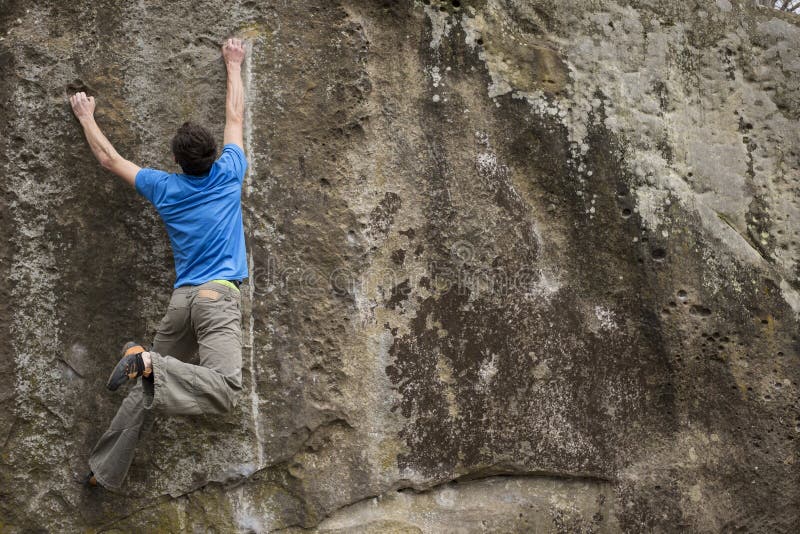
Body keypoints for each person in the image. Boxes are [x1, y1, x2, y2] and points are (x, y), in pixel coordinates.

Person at [69, 38, 249, 491]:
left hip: (183, 299)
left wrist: (87, 116)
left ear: (176, 162)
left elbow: (109, 159)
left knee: (147, 388)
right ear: (214, 155)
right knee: (224, 391)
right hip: (218, 297)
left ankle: (102, 469)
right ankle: (147, 361)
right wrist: (233, 64)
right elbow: (235, 116)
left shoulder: (164, 188)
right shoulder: (230, 170)